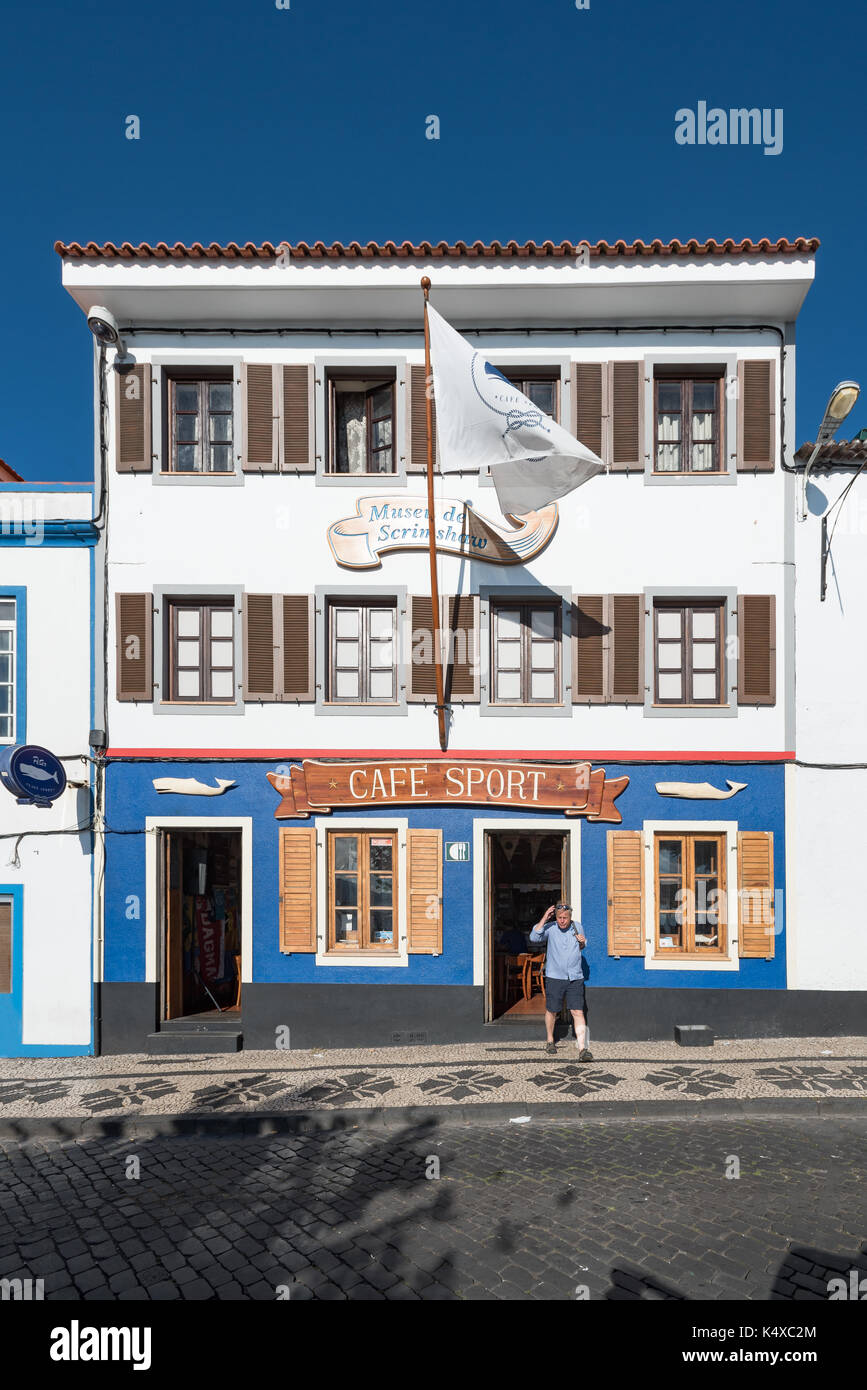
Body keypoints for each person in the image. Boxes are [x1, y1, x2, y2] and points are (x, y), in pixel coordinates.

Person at [529, 901, 593, 1060]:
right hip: (555, 977)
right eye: (559, 917)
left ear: (570, 917)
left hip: (575, 977)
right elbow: (534, 937)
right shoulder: (550, 928)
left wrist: (582, 942)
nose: (562, 920)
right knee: (552, 1010)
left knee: (577, 1011)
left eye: (565, 917)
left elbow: (582, 946)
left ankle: (582, 1048)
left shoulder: (577, 926)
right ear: (555, 917)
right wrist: (545, 917)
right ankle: (550, 1040)